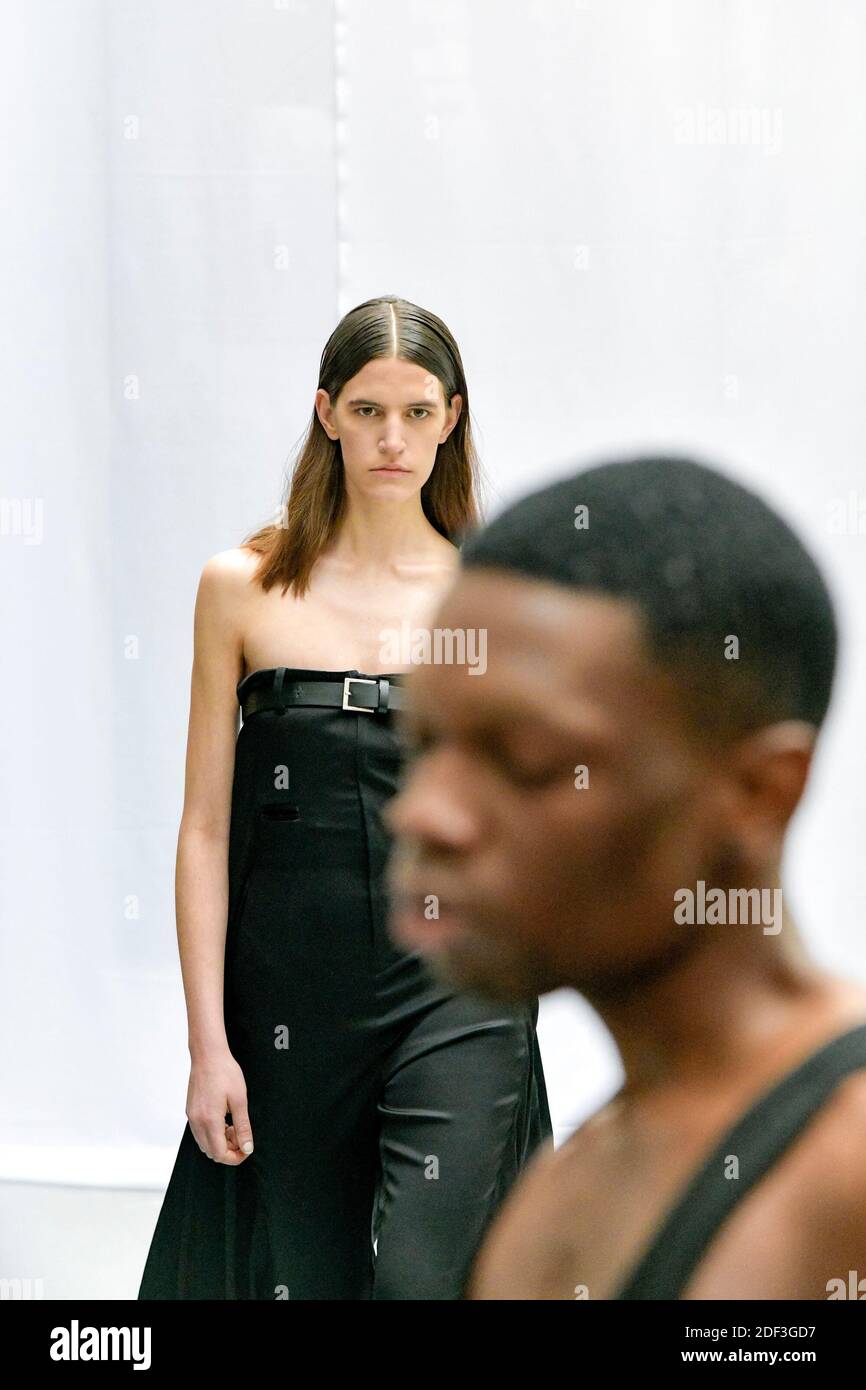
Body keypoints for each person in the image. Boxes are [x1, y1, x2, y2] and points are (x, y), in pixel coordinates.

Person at [137, 295, 551, 1301]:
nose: (391, 438)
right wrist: (208, 1047)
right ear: (325, 413)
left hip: (455, 986)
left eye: (415, 412)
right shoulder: (241, 586)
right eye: (368, 411)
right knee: (302, 1280)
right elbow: (201, 828)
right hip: (291, 989)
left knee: (419, 1275)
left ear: (450, 418)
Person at [384, 454, 866, 1299]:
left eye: (528, 760)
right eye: (423, 747)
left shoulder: (842, 1173)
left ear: (758, 793)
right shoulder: (564, 1192)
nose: (425, 813)